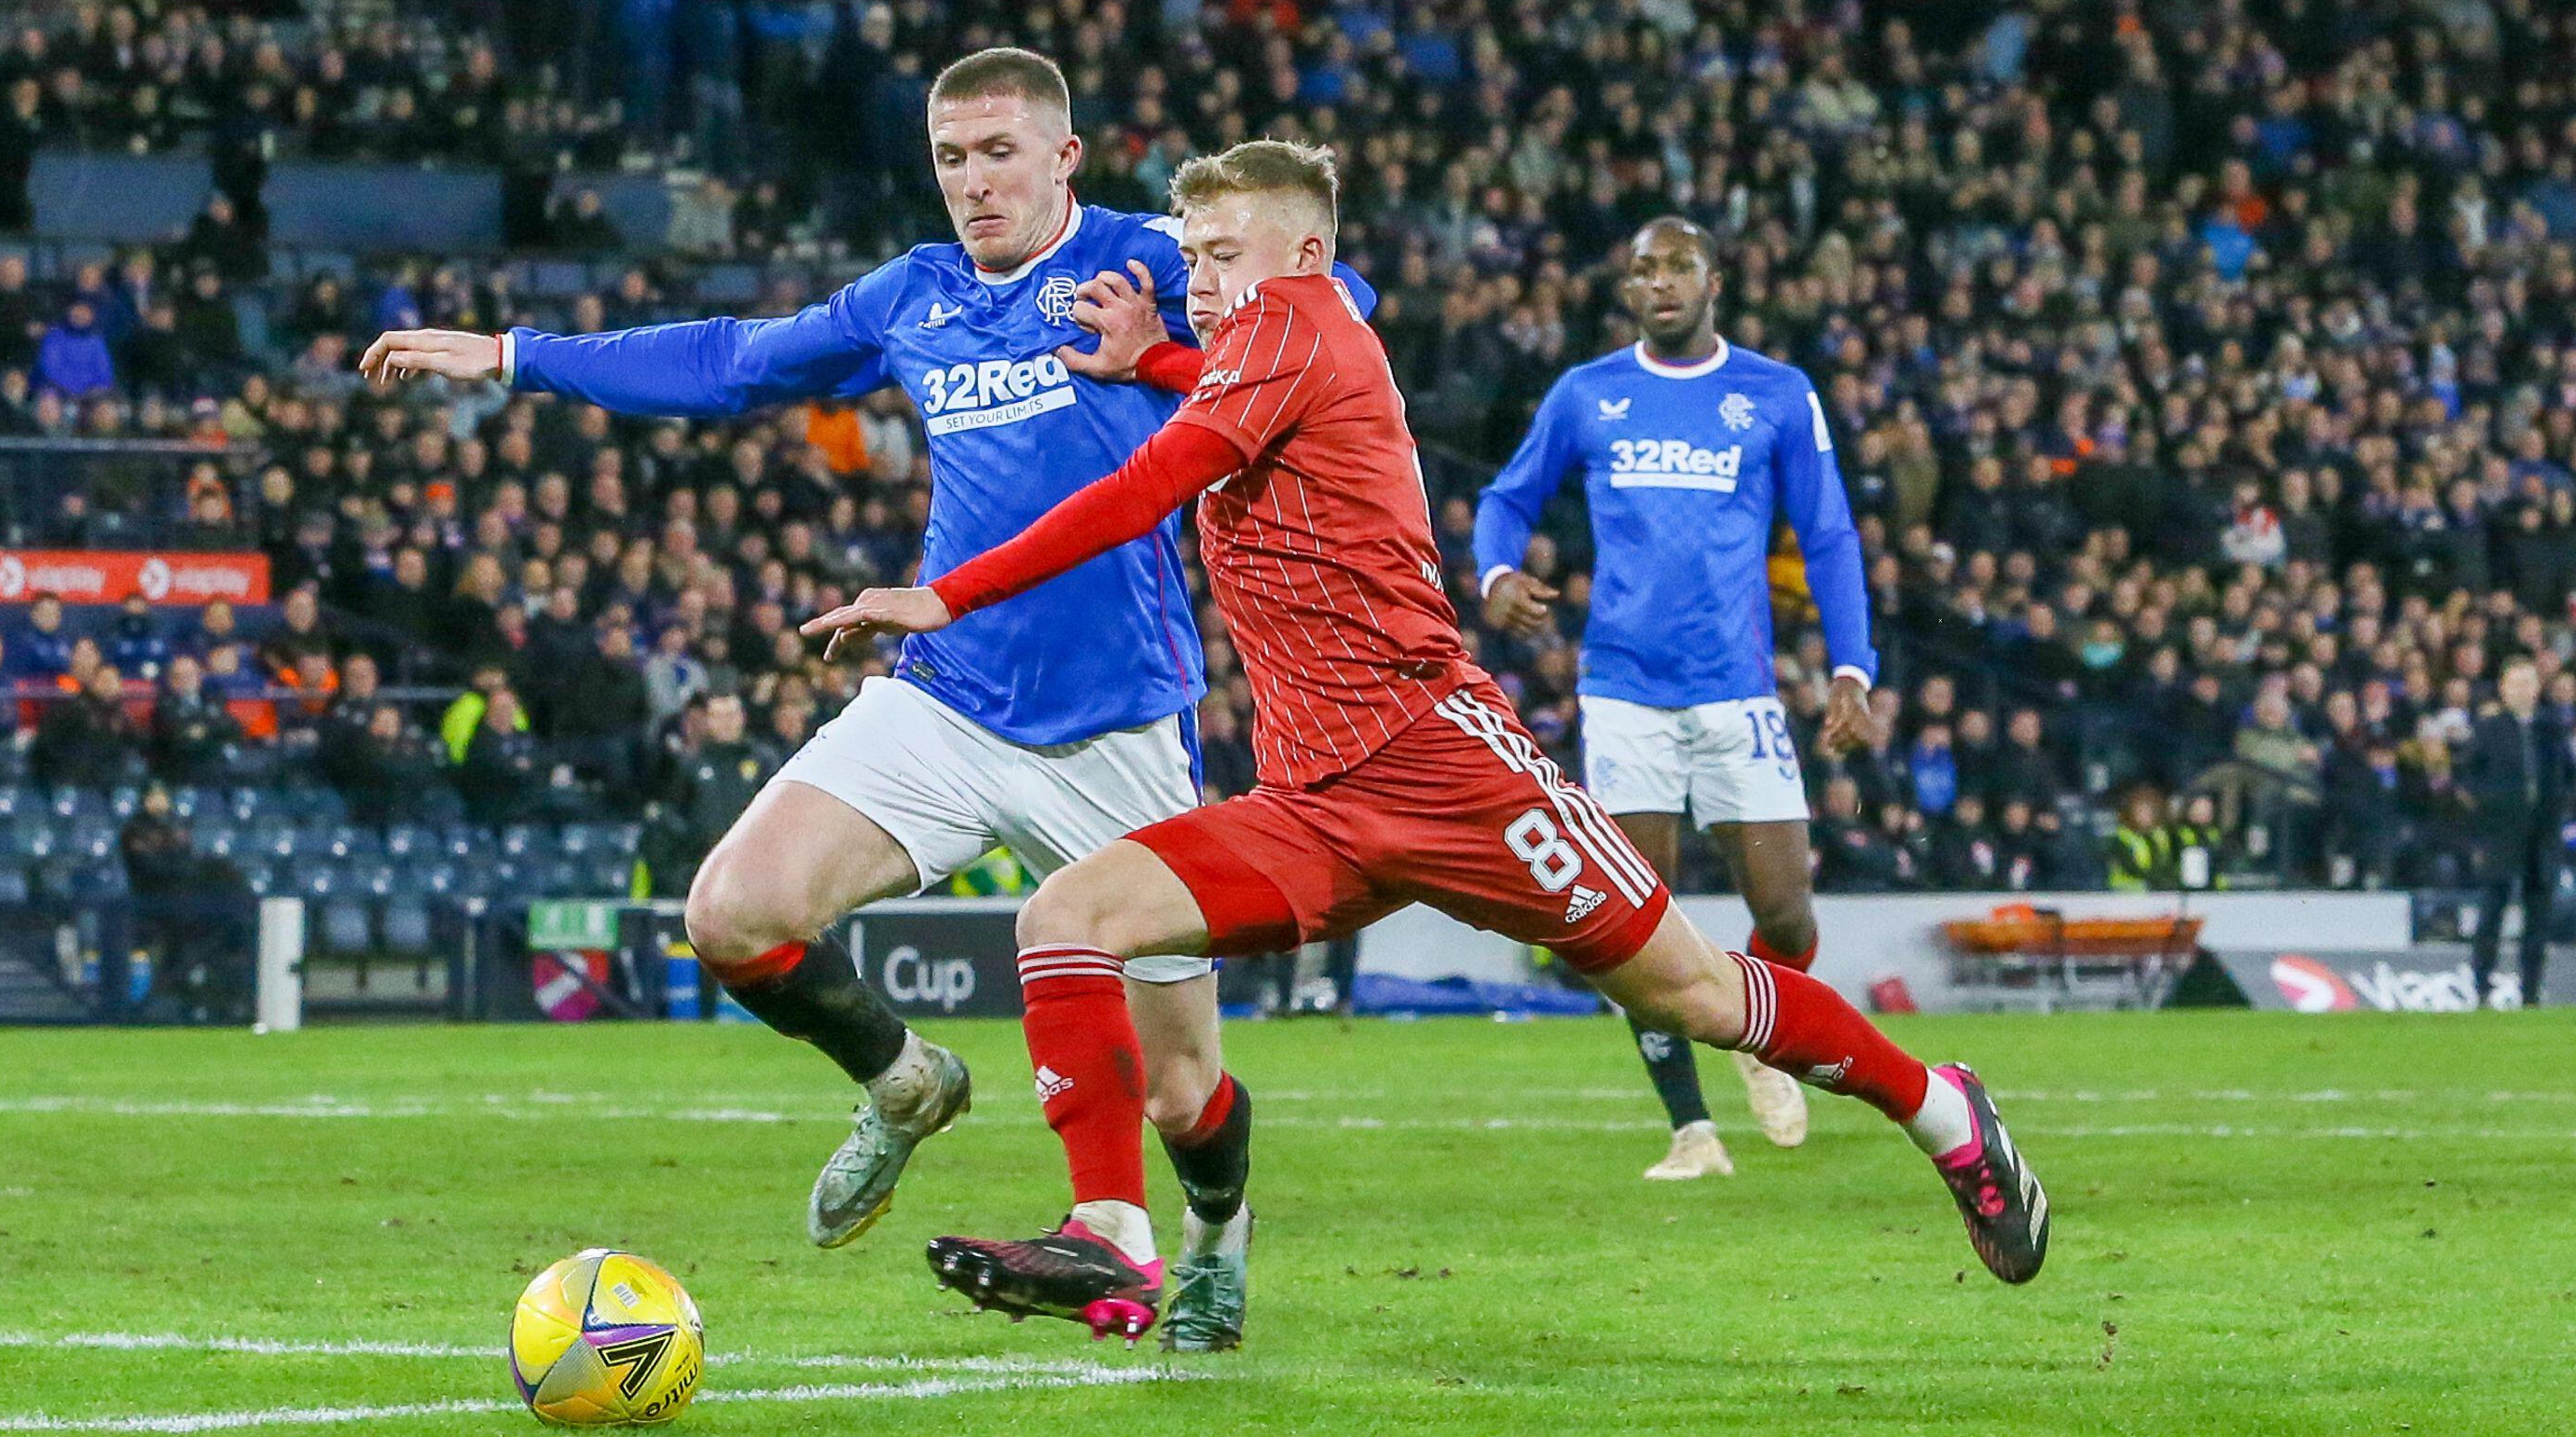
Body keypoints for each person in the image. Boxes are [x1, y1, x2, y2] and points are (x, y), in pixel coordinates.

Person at [809, 138, 2047, 1345]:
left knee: (1696, 991)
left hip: (1449, 770)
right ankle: (1110, 1229)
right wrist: (1160, 360)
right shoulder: (1258, 352)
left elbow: (1149, 488)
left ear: (1299, 253)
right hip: (1314, 802)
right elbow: (1226, 404)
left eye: (1223, 250)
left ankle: (1942, 1110)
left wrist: (950, 592)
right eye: (1190, 251)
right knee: (1067, 917)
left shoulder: (1297, 319)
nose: (1198, 274)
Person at [357, 48, 1373, 1292]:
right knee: (731, 914)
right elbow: (734, 362)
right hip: (944, 696)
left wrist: (1173, 335)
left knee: (1180, 1090)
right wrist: (516, 357)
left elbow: (1346, 306)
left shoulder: (1150, 256)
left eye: (1001, 152)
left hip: (1118, 730)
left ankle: (1217, 1233)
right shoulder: (917, 295)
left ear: (1065, 156)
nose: (973, 182)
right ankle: (904, 1082)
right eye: (951, 157)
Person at [1473, 218, 1872, 1181]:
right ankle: (1692, 1129)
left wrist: (1854, 668)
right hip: (1625, 694)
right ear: (1629, 287)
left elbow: (1830, 536)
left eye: (1679, 267)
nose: (1661, 282)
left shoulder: (1776, 395)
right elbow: (1507, 498)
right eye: (1644, 267)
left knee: (1786, 909)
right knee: (1632, 924)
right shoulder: (1589, 393)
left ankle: (1751, 1026)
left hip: (1738, 691)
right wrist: (1492, 574)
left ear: (1714, 281)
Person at [2460, 656, 2570, 1009]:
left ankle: (2531, 992)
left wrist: (2559, 810)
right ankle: (2481, 989)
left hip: (2543, 836)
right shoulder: (2489, 730)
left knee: (2538, 916)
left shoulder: (2553, 729)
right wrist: (2490, 806)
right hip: (2502, 836)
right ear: (2504, 689)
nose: (2524, 690)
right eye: (2516, 683)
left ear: (2538, 688)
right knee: (2492, 912)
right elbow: (2466, 776)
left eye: (2529, 682)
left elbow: (2571, 773)